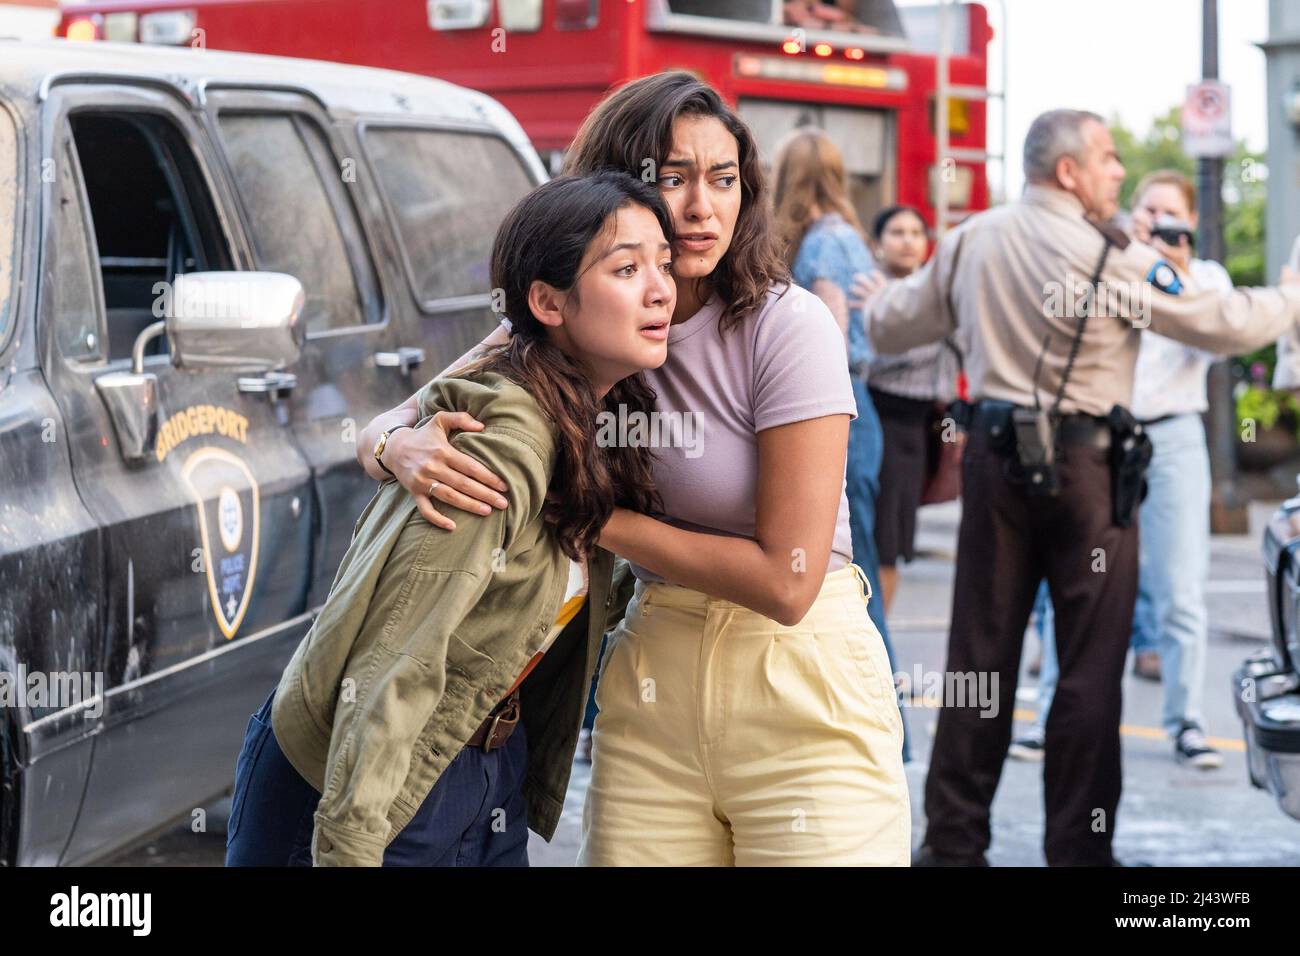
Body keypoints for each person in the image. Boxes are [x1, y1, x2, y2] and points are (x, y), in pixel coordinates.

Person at [357, 71, 910, 866]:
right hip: (653, 673)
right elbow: (393, 422)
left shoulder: (787, 326)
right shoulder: (583, 320)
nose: (701, 207)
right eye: (673, 179)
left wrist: (582, 512)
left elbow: (788, 581)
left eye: (723, 180)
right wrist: (396, 449)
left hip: (803, 683)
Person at [863, 108, 1300, 867]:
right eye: (1105, 158)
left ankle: (954, 844)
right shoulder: (1115, 256)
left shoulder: (971, 240)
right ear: (1067, 171)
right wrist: (1290, 299)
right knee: (1092, 668)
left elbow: (894, 326)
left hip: (993, 463)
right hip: (1088, 474)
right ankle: (1078, 849)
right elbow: (1218, 321)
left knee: (978, 660)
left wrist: (872, 299)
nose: (1118, 173)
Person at [224, 171, 674, 866]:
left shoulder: (592, 418)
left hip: (487, 765)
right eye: (626, 268)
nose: (660, 289)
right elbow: (396, 661)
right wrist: (348, 849)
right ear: (548, 303)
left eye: (663, 264)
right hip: (370, 777)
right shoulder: (505, 440)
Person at [1009, 170, 1229, 771]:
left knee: (1180, 588)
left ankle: (1187, 723)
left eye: (1169, 214)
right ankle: (1051, 717)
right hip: (1105, 435)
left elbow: (1212, 341)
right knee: (1073, 582)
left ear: (1188, 220)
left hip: (1176, 435)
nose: (1158, 223)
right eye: (1147, 212)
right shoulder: (1111, 262)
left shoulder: (1204, 278)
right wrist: (1127, 254)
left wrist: (1172, 270)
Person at [771, 126, 910, 762]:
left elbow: (817, 332)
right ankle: (887, 726)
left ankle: (876, 721)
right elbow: (844, 329)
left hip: (818, 411)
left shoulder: (803, 241)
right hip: (855, 407)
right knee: (852, 567)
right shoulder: (844, 239)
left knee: (837, 570)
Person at [861, 204, 963, 612]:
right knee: (880, 541)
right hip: (880, 417)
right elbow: (869, 356)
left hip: (924, 425)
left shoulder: (934, 291)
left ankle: (879, 645)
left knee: (897, 542)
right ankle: (874, 650)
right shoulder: (867, 288)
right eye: (897, 232)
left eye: (916, 233)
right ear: (877, 243)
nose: (907, 241)